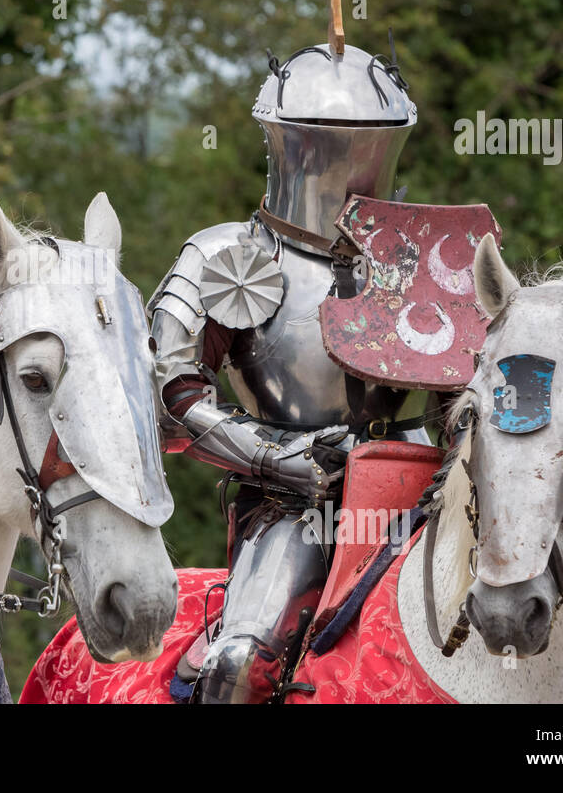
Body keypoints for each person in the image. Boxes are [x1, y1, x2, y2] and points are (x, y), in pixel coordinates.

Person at [147, 40, 435, 703]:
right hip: (290, 506)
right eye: (334, 139)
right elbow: (170, 399)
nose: (350, 158)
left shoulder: (427, 260)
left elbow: (467, 393)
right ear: (289, 141)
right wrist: (283, 458)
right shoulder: (225, 255)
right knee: (239, 667)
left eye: (369, 139)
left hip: (423, 495)